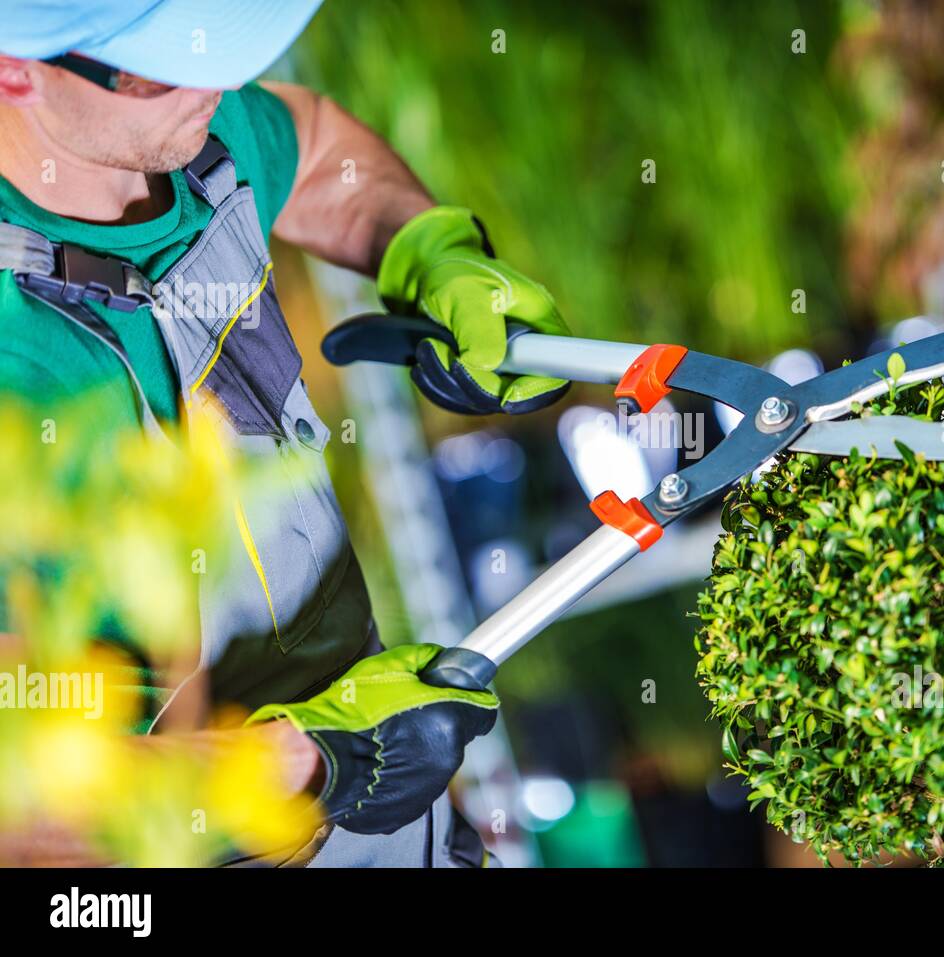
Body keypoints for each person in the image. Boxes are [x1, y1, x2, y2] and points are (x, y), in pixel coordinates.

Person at [0, 0, 569, 866]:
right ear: (16, 69)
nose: (219, 81)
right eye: (164, 62)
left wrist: (427, 249)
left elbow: (312, 147)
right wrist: (302, 767)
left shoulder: (184, 136)